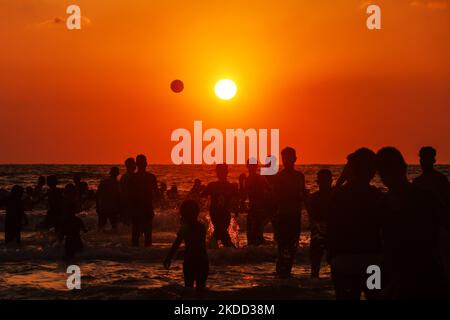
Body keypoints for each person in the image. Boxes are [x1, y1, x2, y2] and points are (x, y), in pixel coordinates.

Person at [376, 147, 449, 299]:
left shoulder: (384, 204)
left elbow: (379, 250)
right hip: (425, 275)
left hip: (413, 277)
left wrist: (374, 286)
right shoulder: (425, 196)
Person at [328, 148, 383, 300]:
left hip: (344, 261)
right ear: (372, 171)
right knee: (374, 296)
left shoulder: (339, 196)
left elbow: (330, 226)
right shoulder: (377, 196)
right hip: (372, 263)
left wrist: (340, 181)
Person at [273, 147, 307, 277]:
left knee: (293, 246)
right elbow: (275, 198)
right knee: (283, 246)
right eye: (284, 158)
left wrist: (311, 214)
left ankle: (286, 271)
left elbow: (303, 195)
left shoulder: (300, 176)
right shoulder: (279, 177)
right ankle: (281, 271)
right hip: (283, 216)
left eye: (289, 157)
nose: (286, 160)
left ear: (295, 158)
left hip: (295, 216)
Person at [164, 200, 209, 292]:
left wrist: (168, 258)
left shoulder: (185, 227)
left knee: (188, 289)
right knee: (201, 290)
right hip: (203, 261)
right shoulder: (201, 226)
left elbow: (176, 244)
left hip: (190, 261)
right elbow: (199, 245)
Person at [201, 164, 237, 248]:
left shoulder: (214, 185)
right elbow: (238, 199)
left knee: (220, 233)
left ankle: (211, 251)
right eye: (221, 171)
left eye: (222, 171)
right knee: (221, 233)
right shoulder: (230, 186)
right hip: (220, 214)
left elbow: (201, 196)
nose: (221, 173)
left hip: (219, 213)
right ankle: (231, 252)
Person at [306, 169, 333, 278]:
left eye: (326, 180)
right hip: (319, 231)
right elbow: (312, 216)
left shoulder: (336, 195)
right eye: (322, 180)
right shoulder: (314, 197)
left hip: (331, 231)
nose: (324, 183)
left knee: (332, 260)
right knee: (315, 261)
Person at [128, 154, 159, 247]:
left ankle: (135, 256)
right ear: (146, 163)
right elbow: (157, 194)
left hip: (136, 209)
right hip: (147, 208)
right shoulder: (151, 177)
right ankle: (146, 257)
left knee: (135, 236)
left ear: (136, 164)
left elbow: (129, 195)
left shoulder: (132, 177)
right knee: (147, 236)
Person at [244, 159, 271, 246]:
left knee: (257, 234)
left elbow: (270, 190)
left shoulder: (260, 178)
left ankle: (260, 253)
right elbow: (244, 195)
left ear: (256, 167)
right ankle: (258, 253)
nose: (251, 167)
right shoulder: (248, 179)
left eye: (253, 165)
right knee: (252, 234)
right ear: (247, 166)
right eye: (250, 165)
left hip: (259, 210)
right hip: (252, 210)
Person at [62, 184, 87, 260]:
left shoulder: (66, 221)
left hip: (69, 240)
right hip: (77, 239)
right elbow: (85, 230)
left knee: (68, 256)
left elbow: (62, 233)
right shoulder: (78, 220)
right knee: (79, 255)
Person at [96, 167, 121, 231]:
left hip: (104, 207)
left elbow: (97, 195)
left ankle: (99, 239)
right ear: (118, 174)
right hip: (113, 208)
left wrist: (98, 206)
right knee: (114, 228)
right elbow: (119, 197)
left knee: (100, 227)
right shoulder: (117, 184)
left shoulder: (104, 182)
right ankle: (111, 240)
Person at [42, 175, 64, 241]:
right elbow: (43, 196)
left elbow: (60, 200)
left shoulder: (56, 191)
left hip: (55, 211)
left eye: (48, 181)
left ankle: (57, 241)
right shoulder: (52, 190)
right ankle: (56, 241)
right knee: (56, 227)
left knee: (56, 227)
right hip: (54, 211)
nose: (47, 183)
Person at [119, 157, 136, 225]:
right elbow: (122, 190)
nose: (135, 166)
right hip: (129, 201)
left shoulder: (124, 177)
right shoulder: (126, 177)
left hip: (128, 201)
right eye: (133, 164)